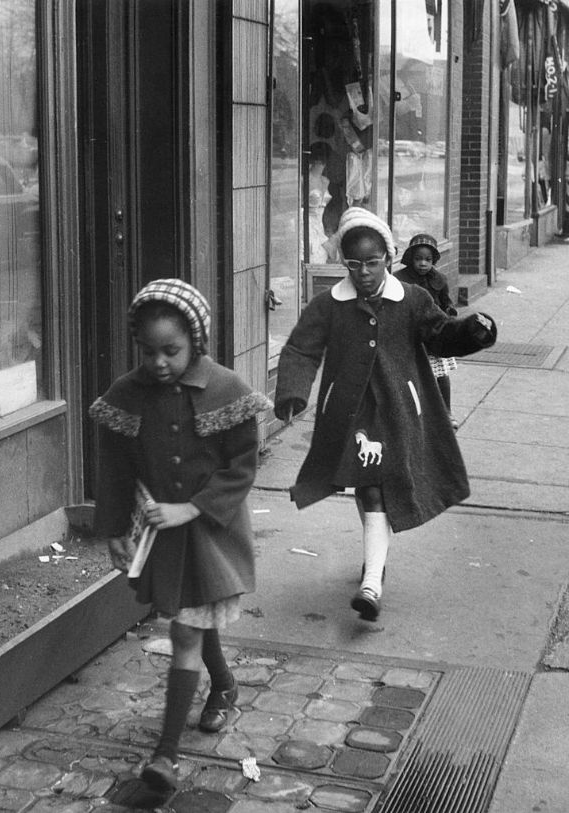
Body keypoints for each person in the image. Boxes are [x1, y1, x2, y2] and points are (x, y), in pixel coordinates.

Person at [89, 279, 271, 792]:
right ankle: (226, 685)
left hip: (211, 531)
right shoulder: (128, 395)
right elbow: (116, 469)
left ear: (196, 342)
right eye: (148, 351)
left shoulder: (226, 390)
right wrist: (113, 530)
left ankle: (166, 756)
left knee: (185, 629)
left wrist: (192, 507)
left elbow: (241, 465)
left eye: (171, 350)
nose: (159, 362)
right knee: (192, 615)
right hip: (162, 534)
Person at [274, 207, 497, 623]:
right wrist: (291, 392)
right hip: (350, 413)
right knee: (367, 488)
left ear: (389, 259)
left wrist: (472, 331)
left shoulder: (412, 299)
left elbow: (440, 333)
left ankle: (371, 581)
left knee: (377, 488)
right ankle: (374, 563)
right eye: (353, 263)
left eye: (372, 262)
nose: (363, 272)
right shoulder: (330, 305)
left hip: (398, 409)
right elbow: (302, 348)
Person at [395, 233, 460, 429]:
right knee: (409, 376)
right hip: (411, 335)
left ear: (434, 260)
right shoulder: (400, 279)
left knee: (441, 375)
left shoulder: (439, 279)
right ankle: (409, 413)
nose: (423, 263)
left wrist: (449, 317)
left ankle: (446, 412)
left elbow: (447, 304)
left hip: (434, 333)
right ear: (410, 259)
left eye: (428, 260)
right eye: (418, 259)